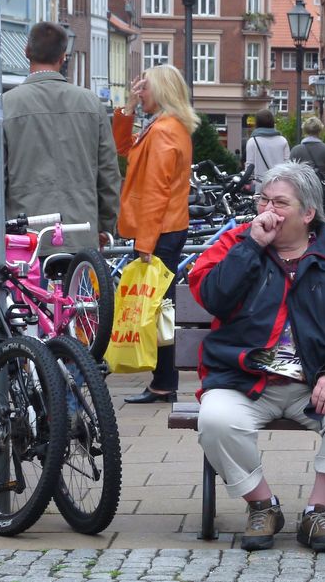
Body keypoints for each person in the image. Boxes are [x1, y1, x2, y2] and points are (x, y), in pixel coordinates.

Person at [190, 161, 325, 553]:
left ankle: (319, 512)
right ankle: (261, 505)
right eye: (263, 200)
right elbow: (212, 296)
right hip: (245, 376)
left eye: (280, 202)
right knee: (215, 420)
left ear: (308, 213)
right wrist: (252, 247)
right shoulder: (235, 243)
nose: (267, 210)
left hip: (315, 380)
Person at [112, 63, 199, 404]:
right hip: (167, 228)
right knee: (160, 305)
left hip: (160, 231)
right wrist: (128, 110)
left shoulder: (164, 130)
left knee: (157, 307)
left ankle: (163, 383)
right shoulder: (167, 126)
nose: (139, 91)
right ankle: (163, 381)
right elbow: (123, 147)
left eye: (144, 87)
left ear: (160, 90)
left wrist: (145, 243)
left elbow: (155, 192)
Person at [0, 21, 121, 255]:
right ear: (63, 56)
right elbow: (108, 172)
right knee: (79, 292)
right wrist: (105, 226)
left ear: (27, 52)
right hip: (80, 231)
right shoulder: (91, 103)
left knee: (27, 292)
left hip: (26, 237)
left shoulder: (6, 105)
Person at [290, 116, 325, 191]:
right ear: (320, 131)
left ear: (305, 131)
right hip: (321, 189)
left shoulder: (296, 150)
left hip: (302, 189)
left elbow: (290, 173)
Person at [245, 108, 290, 190]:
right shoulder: (282, 140)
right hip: (280, 187)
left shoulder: (252, 141)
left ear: (257, 123)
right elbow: (288, 166)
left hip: (261, 187)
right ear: (273, 122)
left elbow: (249, 168)